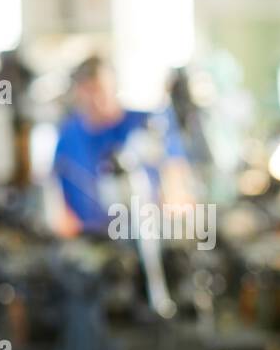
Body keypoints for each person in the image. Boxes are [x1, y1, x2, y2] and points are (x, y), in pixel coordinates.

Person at [52, 55, 194, 236]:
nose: (96, 100)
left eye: (101, 90)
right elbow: (61, 203)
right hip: (96, 239)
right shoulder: (68, 138)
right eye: (89, 91)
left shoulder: (146, 124)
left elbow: (177, 180)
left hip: (151, 234)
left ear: (114, 87)